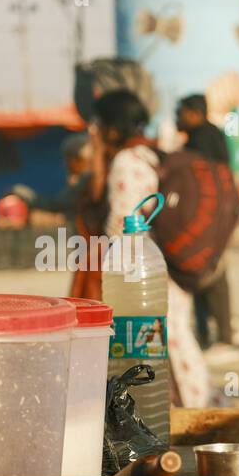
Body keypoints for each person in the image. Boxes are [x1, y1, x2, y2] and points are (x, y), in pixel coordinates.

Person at [75, 88, 210, 409]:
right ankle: (198, 408)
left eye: (98, 124)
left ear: (110, 127)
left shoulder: (126, 161)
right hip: (168, 263)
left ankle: (201, 411)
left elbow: (122, 227)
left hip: (145, 273)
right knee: (176, 338)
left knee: (169, 343)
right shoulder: (153, 153)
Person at [176, 93, 239, 358]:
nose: (177, 118)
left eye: (181, 112)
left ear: (194, 113)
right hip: (214, 216)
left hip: (213, 217)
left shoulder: (203, 140)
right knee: (201, 273)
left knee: (213, 274)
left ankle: (224, 336)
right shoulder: (204, 137)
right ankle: (205, 334)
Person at [176, 94, 231, 165]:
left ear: (196, 114)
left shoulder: (202, 138)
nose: (178, 119)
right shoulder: (211, 132)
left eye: (180, 113)